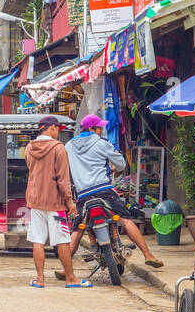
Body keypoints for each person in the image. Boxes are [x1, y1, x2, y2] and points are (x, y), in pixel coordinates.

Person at [64, 113, 165, 275]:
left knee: (78, 228)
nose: (101, 131)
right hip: (104, 191)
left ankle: (65, 268)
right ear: (91, 129)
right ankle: (148, 255)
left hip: (83, 194)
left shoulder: (68, 146)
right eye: (99, 128)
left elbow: (65, 169)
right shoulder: (102, 143)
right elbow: (120, 164)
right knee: (125, 219)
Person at [24, 115, 88, 288]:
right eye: (57, 128)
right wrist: (70, 202)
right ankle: (70, 278)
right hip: (55, 202)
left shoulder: (30, 147)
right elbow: (63, 178)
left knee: (37, 240)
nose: (58, 131)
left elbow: (31, 170)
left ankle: (40, 279)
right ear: (51, 127)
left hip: (35, 200)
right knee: (63, 240)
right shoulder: (58, 148)